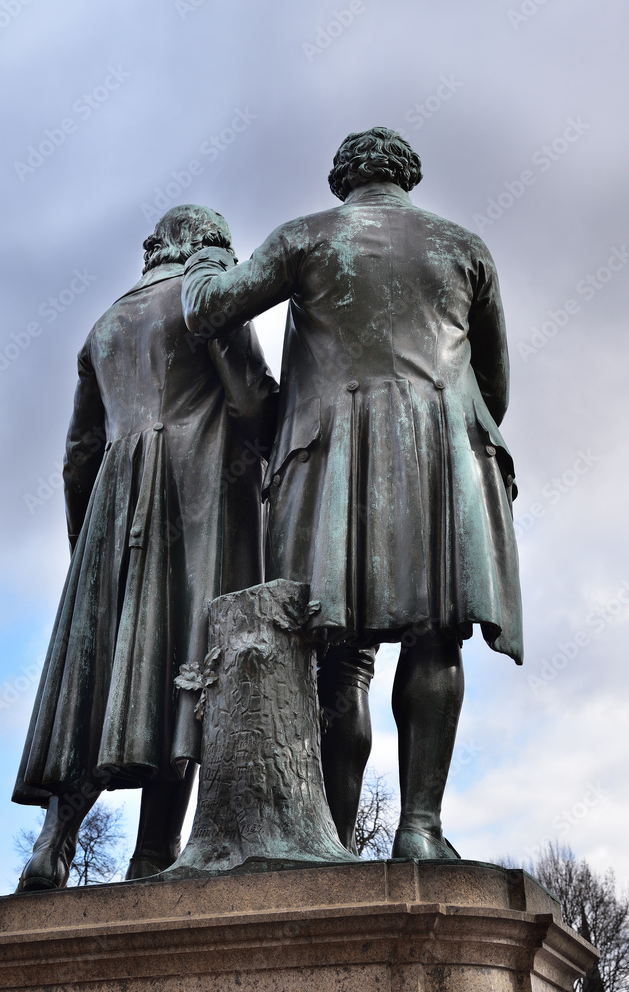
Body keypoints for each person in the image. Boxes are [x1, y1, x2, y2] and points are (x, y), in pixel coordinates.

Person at [180, 128, 523, 860]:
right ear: (408, 176)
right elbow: (493, 383)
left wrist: (203, 263)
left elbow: (210, 309)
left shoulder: (303, 237)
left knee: (340, 655)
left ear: (342, 178)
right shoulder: (464, 247)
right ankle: (420, 829)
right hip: (442, 453)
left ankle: (334, 843)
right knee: (436, 635)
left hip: (329, 457)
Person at [13, 205, 278, 890]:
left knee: (94, 678)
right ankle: (151, 855)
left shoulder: (104, 325)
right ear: (203, 245)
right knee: (189, 667)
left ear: (151, 248)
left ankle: (54, 839)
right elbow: (249, 400)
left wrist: (87, 545)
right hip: (197, 500)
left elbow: (78, 453)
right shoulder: (206, 298)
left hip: (112, 507)